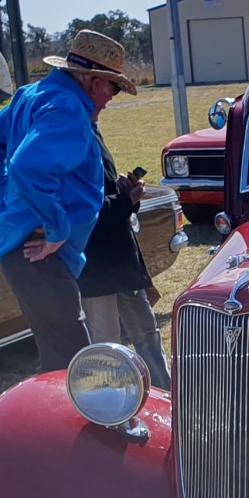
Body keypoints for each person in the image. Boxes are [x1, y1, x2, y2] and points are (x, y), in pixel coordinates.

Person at [0, 29, 137, 372]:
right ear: (93, 82)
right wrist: (56, 230)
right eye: (113, 87)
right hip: (40, 250)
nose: (111, 98)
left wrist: (6, 196)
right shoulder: (68, 108)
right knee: (74, 365)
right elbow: (27, 167)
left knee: (63, 356)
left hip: (30, 247)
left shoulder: (33, 94)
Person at [79, 129, 171, 389]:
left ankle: (165, 396)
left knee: (147, 332)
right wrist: (125, 199)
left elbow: (105, 194)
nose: (106, 106)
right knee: (107, 345)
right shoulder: (69, 136)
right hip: (95, 265)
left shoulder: (93, 132)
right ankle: (115, 405)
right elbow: (82, 209)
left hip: (121, 259)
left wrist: (126, 194)